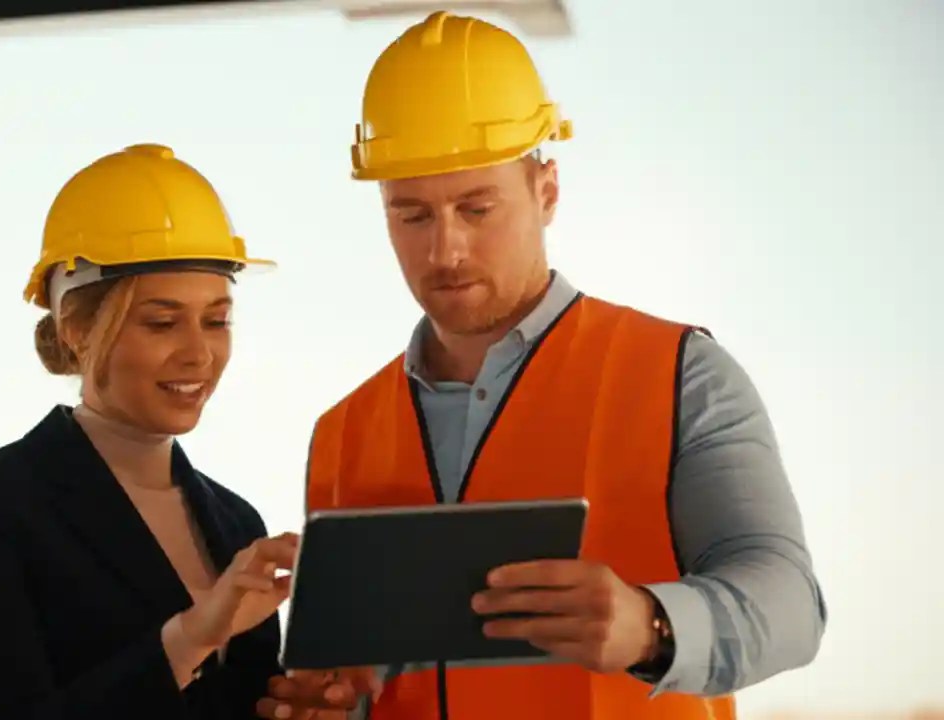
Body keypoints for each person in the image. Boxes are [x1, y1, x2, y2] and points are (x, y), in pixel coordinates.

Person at [256, 11, 826, 720]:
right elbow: (363, 674)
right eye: (412, 216)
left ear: (546, 191)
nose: (446, 250)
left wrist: (649, 624)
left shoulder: (679, 375)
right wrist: (332, 704)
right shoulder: (340, 434)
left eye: (476, 207)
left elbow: (791, 602)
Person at [0, 143, 297, 720]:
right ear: (75, 326)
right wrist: (192, 636)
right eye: (162, 322)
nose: (199, 353)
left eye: (217, 321)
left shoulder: (236, 522)